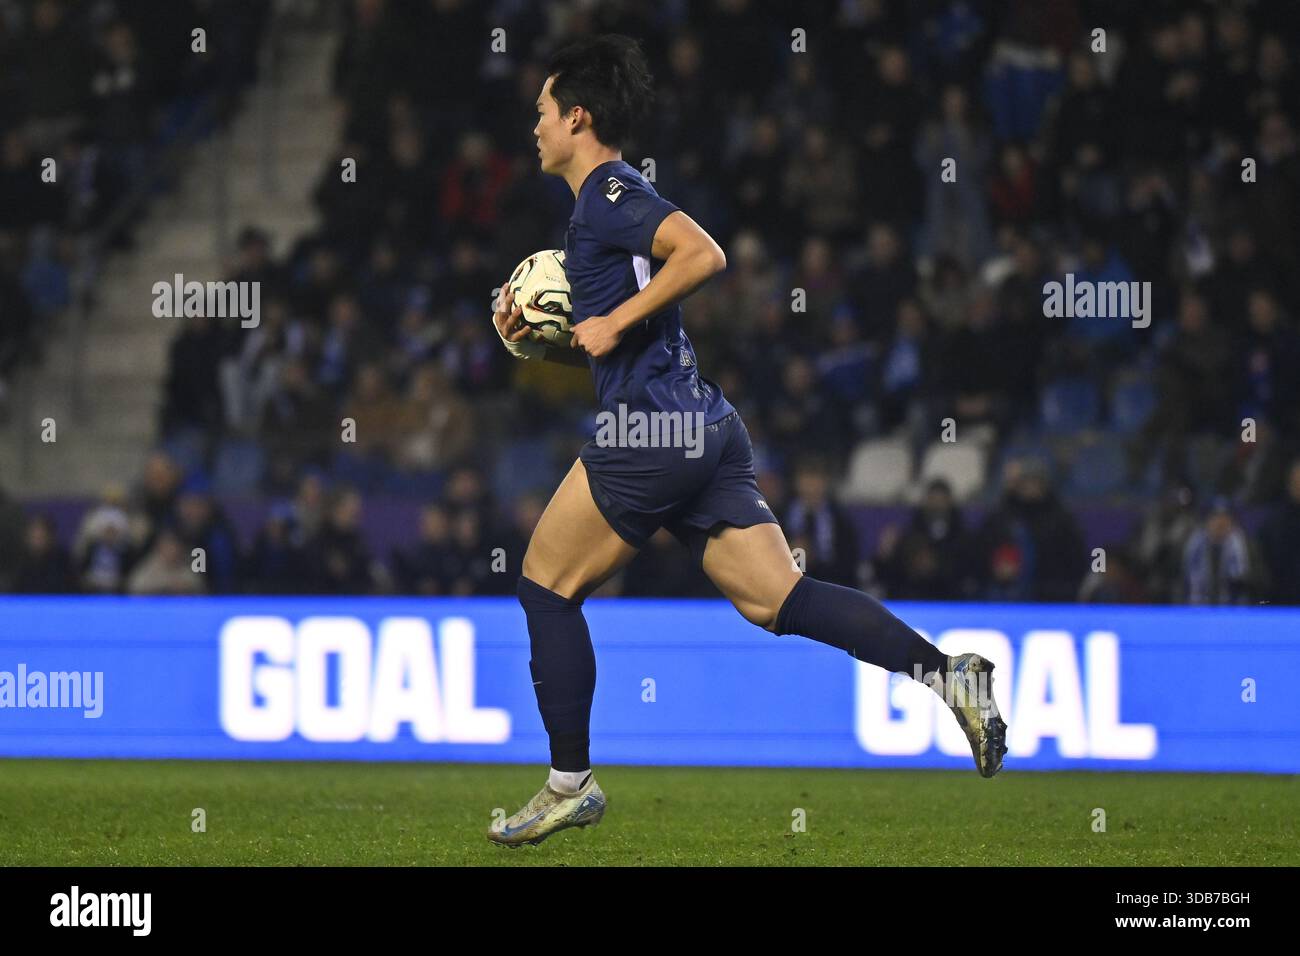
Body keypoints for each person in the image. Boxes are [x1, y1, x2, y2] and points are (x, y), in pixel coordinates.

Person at [486, 35, 1006, 848]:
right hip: (703, 424)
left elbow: (704, 254)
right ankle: (948, 675)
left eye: (544, 110)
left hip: (650, 430)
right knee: (778, 599)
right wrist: (556, 340)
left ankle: (569, 785)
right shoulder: (604, 210)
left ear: (578, 117)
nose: (536, 125)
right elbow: (624, 331)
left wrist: (611, 322)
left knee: (546, 587)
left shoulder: (608, 194)